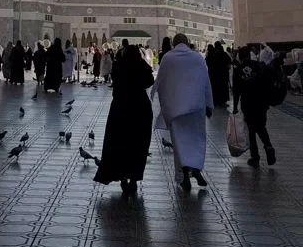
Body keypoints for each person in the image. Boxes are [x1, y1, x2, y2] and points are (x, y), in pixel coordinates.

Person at [152, 33, 213, 191]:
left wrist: (161, 102)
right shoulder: (197, 58)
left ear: (174, 44)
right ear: (187, 43)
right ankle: (197, 169)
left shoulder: (168, 58)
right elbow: (206, 82)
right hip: (196, 108)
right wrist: (209, 105)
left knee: (180, 144)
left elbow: (161, 82)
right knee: (195, 141)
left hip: (176, 109)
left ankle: (185, 174)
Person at [94, 45, 154, 194]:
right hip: (140, 108)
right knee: (138, 145)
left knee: (119, 143)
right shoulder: (141, 65)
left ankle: (122, 177)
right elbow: (149, 81)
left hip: (121, 108)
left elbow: (114, 79)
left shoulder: (119, 65)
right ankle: (134, 178)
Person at [232, 46, 276, 166]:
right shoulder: (259, 65)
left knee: (251, 130)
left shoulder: (238, 70)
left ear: (240, 57)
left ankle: (255, 156)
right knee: (261, 126)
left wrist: (235, 107)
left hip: (248, 103)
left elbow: (236, 91)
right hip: (262, 101)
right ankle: (268, 146)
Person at [207, 40, 231, 107]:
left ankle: (217, 102)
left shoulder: (214, 54)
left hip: (216, 75)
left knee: (217, 88)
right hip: (223, 74)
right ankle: (222, 102)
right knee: (223, 88)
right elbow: (229, 62)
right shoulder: (223, 53)